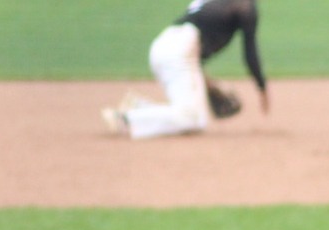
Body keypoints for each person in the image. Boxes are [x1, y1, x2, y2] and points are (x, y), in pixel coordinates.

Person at [104, 0, 270, 140]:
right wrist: (262, 87)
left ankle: (138, 107)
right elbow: (250, 52)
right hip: (180, 51)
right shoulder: (245, 6)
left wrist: (208, 83)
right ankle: (127, 119)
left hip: (167, 43)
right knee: (192, 118)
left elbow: (197, 40)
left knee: (194, 117)